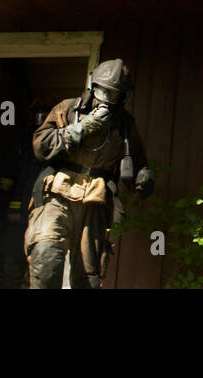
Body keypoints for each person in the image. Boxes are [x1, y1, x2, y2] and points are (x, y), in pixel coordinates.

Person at [25, 59, 153, 289]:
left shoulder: (124, 125)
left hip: (95, 202)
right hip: (57, 195)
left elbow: (137, 162)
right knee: (45, 259)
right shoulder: (68, 108)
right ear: (93, 86)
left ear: (123, 97)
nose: (106, 98)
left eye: (114, 94)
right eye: (103, 90)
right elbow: (41, 146)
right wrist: (81, 128)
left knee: (88, 278)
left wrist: (143, 178)